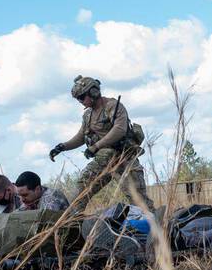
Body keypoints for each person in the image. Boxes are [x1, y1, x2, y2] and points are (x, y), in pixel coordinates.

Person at [49, 76, 153, 213]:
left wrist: (96, 146)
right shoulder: (88, 115)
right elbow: (81, 136)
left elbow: (120, 129)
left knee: (140, 203)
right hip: (103, 161)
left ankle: (157, 229)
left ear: (93, 92)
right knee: (80, 192)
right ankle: (75, 226)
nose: (80, 101)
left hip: (123, 159)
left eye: (81, 97)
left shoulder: (113, 106)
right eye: (78, 99)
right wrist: (63, 146)